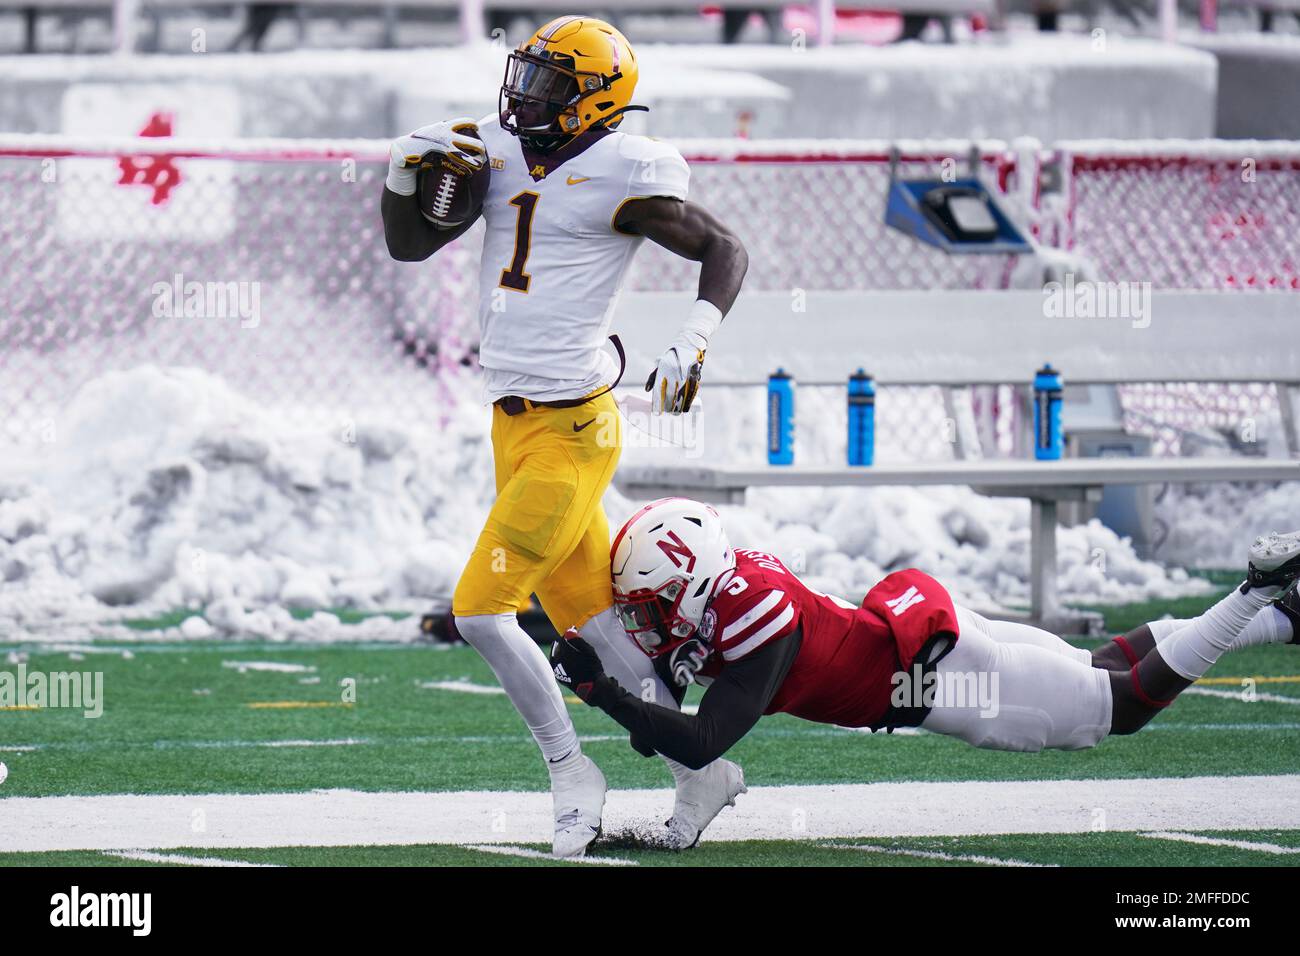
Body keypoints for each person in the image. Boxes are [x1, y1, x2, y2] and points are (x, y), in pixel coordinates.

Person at [381, 17, 749, 857]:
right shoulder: (495, 147)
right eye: (530, 77)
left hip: (573, 429)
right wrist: (405, 176)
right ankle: (701, 775)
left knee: (479, 613)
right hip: (511, 426)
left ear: (597, 100)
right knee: (598, 630)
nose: (530, 96)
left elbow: (724, 246)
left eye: (553, 85)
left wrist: (693, 338)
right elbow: (409, 245)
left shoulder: (629, 167)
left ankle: (569, 767)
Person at [552, 497, 1300, 844]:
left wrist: (601, 691)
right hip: (931, 643)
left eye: (654, 603)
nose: (644, 618)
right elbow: (667, 717)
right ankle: (1285, 617)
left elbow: (698, 742)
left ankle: (1256, 591)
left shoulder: (757, 620)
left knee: (1121, 703)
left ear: (696, 581)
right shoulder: (730, 587)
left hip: (944, 688)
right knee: (1103, 665)